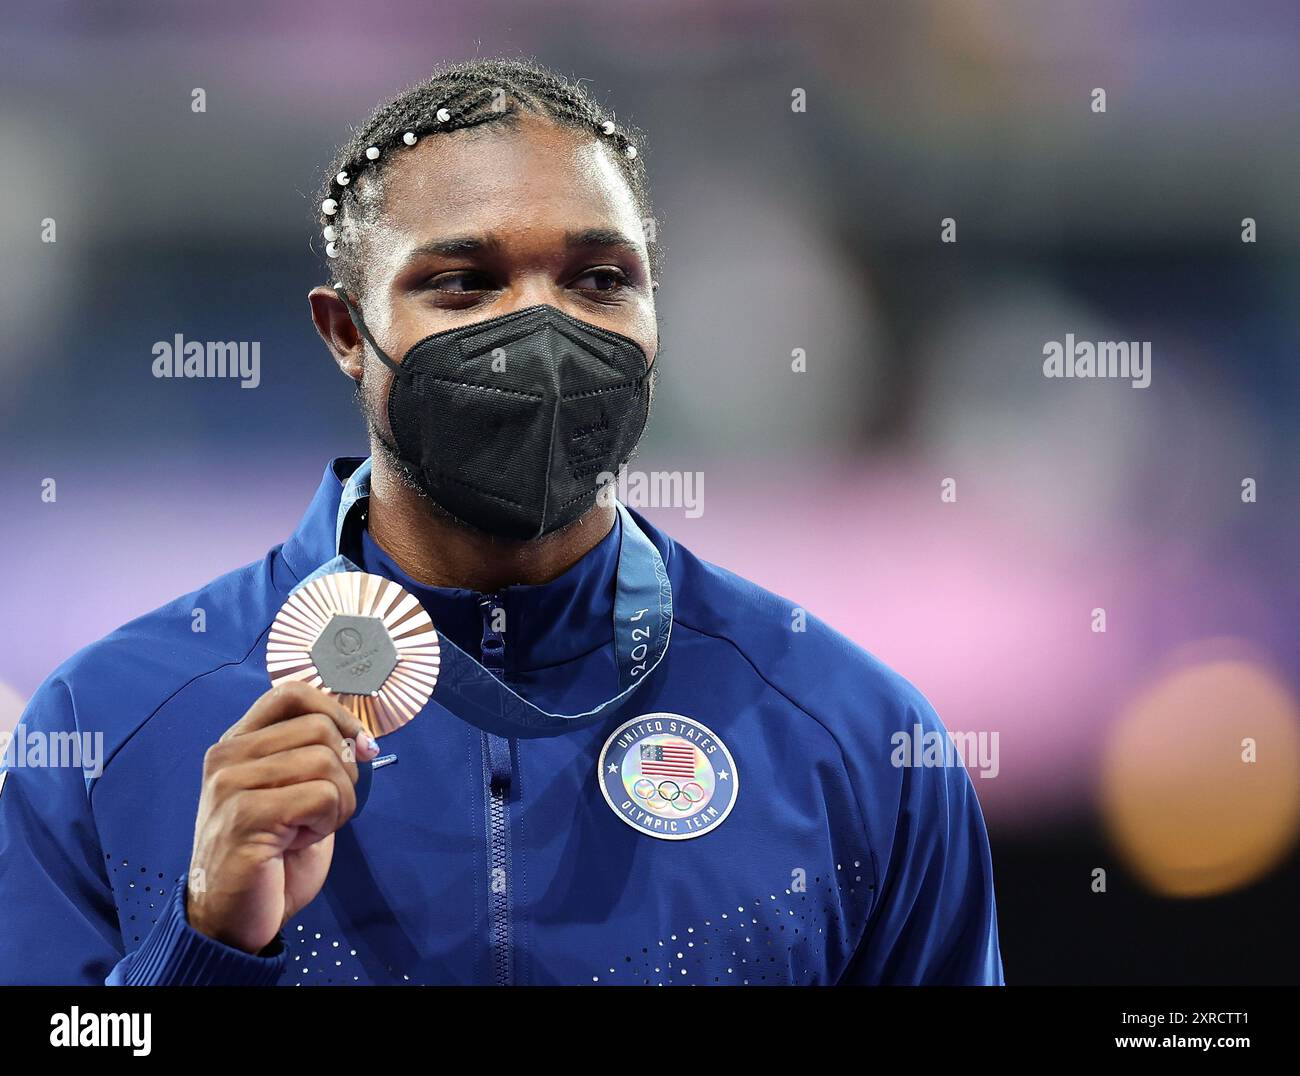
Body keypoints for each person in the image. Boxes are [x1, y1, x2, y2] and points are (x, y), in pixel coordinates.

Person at [0, 58, 1003, 986]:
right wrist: (208, 935)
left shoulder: (858, 737)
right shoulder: (101, 726)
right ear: (347, 332)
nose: (541, 332)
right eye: (464, 282)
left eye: (598, 280)